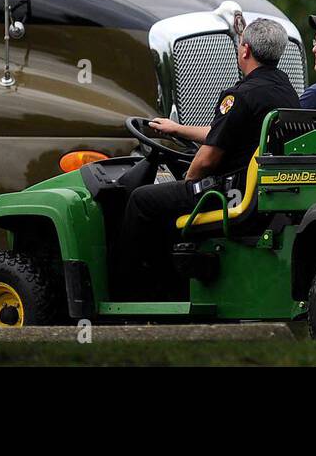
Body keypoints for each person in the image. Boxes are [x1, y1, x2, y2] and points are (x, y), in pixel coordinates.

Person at [115, 18, 299, 297]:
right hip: (261, 192)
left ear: (245, 50)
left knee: (142, 200)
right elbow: (227, 132)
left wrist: (188, 186)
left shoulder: (240, 95)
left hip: (231, 193)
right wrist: (177, 129)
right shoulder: (285, 91)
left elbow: (206, 161)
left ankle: (132, 289)